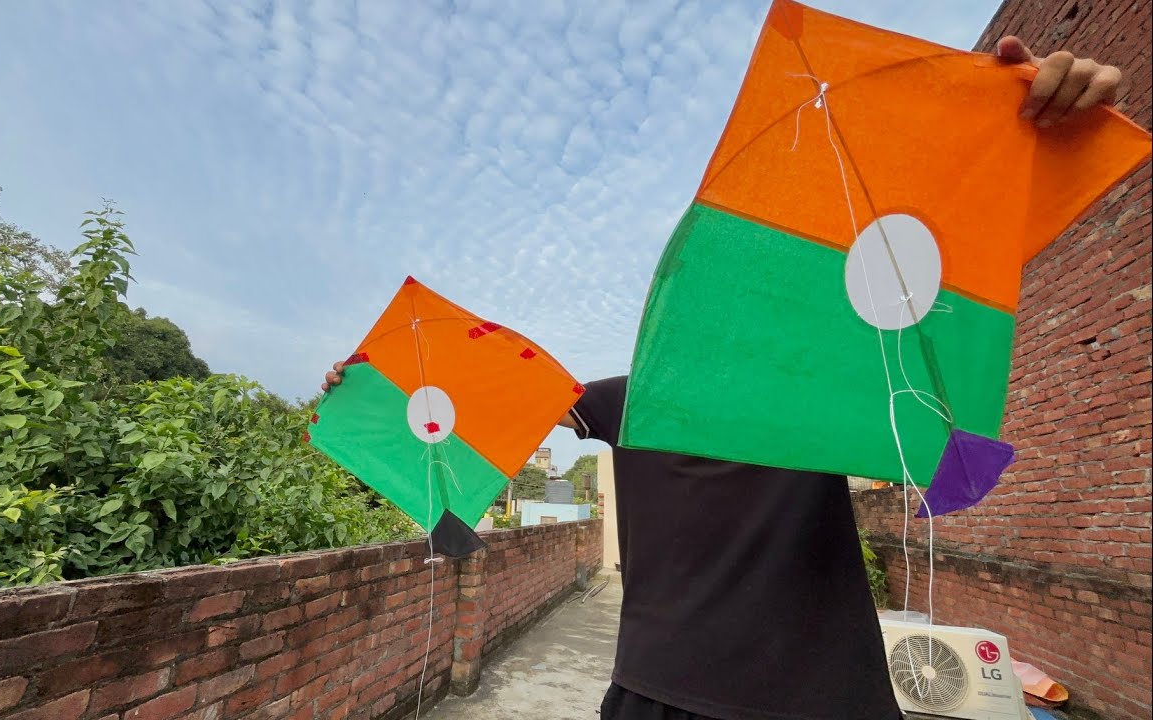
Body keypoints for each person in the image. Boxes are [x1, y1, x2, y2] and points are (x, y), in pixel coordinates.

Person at [321, 37, 1125, 720]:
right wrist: (376, 388)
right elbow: (488, 399)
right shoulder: (630, 398)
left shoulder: (821, 383)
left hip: (824, 696)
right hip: (655, 692)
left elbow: (936, 266)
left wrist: (1026, 125)